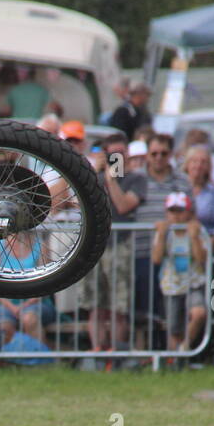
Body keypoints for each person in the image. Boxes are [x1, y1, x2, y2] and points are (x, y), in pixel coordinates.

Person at [87, 134, 147, 355]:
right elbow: (75, 200)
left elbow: (123, 206)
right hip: (95, 247)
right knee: (96, 306)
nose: (118, 158)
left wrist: (111, 179)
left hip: (120, 245)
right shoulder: (95, 178)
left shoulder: (136, 179)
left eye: (121, 153)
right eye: (113, 154)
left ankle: (115, 352)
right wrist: (93, 172)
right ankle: (97, 351)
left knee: (118, 307)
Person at [130, 133, 192, 345]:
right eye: (154, 153)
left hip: (174, 255)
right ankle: (146, 352)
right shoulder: (136, 177)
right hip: (142, 251)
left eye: (163, 153)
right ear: (147, 154)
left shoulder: (182, 181)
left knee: (171, 308)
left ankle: (169, 352)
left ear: (171, 154)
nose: (158, 157)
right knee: (144, 308)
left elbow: (191, 215)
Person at [152, 192, 210, 352]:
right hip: (172, 286)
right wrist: (162, 235)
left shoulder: (199, 231)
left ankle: (184, 349)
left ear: (189, 213)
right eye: (172, 211)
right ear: (166, 213)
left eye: (180, 211)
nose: (176, 215)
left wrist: (194, 237)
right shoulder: (164, 232)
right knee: (174, 329)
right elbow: (156, 259)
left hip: (194, 283)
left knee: (198, 313)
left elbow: (201, 259)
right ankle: (176, 360)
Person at [182, 144, 214, 242]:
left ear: (208, 166)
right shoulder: (178, 189)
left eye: (203, 162)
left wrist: (210, 243)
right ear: (187, 164)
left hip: (207, 244)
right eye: (194, 161)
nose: (198, 165)